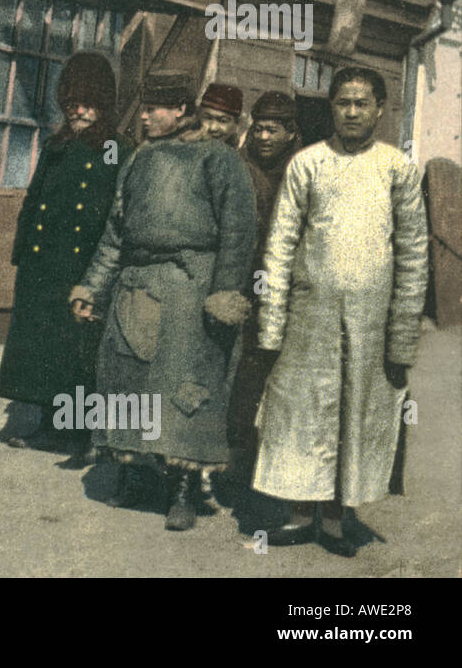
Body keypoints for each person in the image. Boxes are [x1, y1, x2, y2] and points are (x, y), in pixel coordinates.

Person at [252, 67, 428, 557]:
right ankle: (297, 513)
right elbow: (281, 245)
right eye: (342, 102)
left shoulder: (397, 169)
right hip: (309, 318)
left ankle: (335, 518)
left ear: (379, 109)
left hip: (371, 322)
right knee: (300, 412)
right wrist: (272, 323)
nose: (351, 112)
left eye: (361, 103)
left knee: (356, 413)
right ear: (331, 108)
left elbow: (414, 255)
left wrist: (401, 338)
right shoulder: (307, 164)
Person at [71, 71, 255, 531]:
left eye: (153, 109)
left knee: (181, 389)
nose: (145, 117)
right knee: (128, 380)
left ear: (180, 111)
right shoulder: (139, 159)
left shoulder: (219, 161)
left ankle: (182, 492)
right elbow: (114, 233)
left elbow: (238, 233)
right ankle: (135, 476)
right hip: (135, 282)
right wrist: (92, 286)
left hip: (190, 288)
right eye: (144, 108)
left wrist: (224, 293)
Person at [0, 52, 134, 466]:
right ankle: (50, 424)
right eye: (71, 102)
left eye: (87, 102)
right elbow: (35, 199)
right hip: (44, 266)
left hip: (84, 265)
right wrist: (21, 253)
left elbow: (117, 209)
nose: (78, 110)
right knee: (43, 349)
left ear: (103, 104)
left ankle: (81, 433)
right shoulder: (58, 146)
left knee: (78, 352)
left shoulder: (115, 149)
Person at [225, 91, 301, 482]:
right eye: (258, 128)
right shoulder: (237, 166)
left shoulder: (303, 170)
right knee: (240, 372)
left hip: (286, 289)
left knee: (279, 379)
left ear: (291, 133)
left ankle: (275, 466)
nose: (264, 137)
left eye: (273, 130)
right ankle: (235, 459)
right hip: (241, 282)